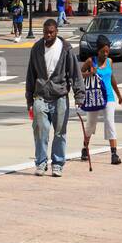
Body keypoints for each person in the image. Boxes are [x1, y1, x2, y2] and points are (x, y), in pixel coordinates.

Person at [25, 18, 85, 176]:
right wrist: (29, 100)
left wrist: (79, 97)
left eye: (51, 32)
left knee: (59, 132)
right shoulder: (37, 48)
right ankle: (41, 163)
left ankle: (57, 164)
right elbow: (30, 75)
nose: (48, 35)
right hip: (40, 96)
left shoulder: (65, 48)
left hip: (60, 97)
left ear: (57, 32)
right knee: (40, 131)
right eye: (45, 32)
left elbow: (75, 74)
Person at [80, 35, 122, 165]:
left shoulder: (110, 61)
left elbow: (112, 78)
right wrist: (89, 73)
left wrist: (119, 95)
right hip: (95, 97)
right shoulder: (91, 61)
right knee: (90, 125)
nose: (105, 54)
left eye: (107, 51)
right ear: (97, 50)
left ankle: (114, 153)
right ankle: (85, 147)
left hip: (109, 97)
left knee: (110, 123)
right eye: (102, 51)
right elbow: (79, 74)